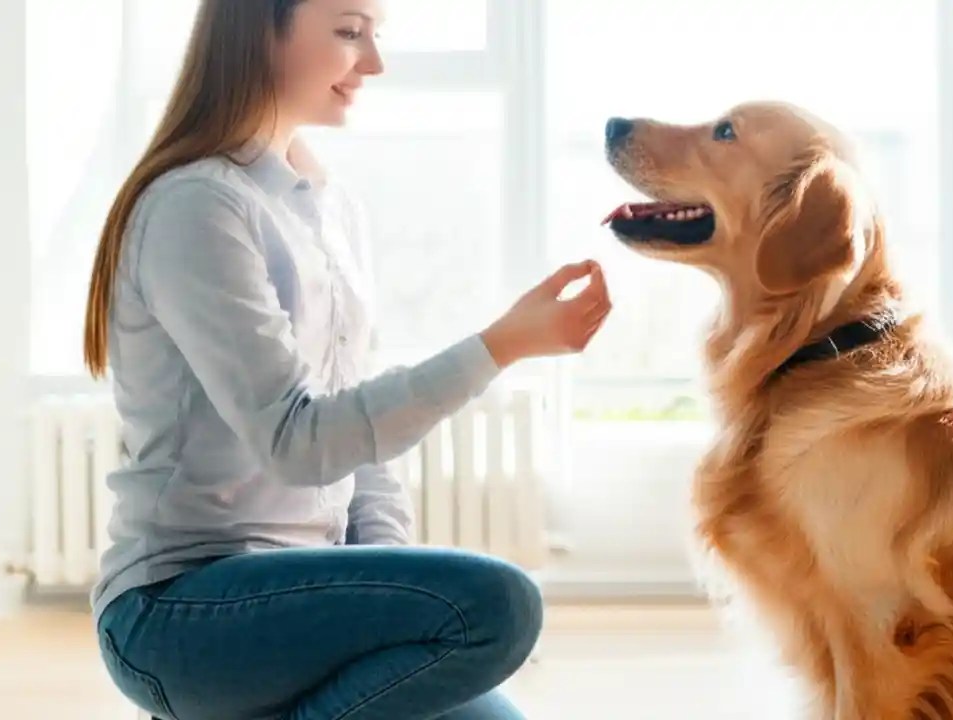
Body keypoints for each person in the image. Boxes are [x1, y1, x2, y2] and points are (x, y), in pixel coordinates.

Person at [80, 1, 611, 718]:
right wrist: (502, 345)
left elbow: (360, 444)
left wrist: (394, 590)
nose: (373, 62)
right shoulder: (195, 206)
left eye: (375, 36)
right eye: (349, 33)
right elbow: (300, 443)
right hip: (179, 612)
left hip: (306, 596)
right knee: (502, 605)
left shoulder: (331, 210)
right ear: (257, 30)